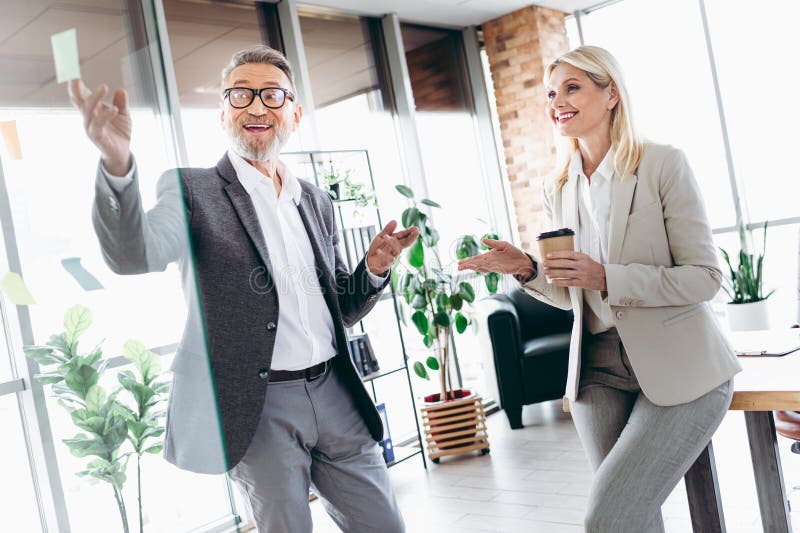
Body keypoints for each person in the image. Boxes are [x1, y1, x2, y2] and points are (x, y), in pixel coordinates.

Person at [69, 45, 414, 533]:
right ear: (223, 112)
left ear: (294, 112)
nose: (256, 106)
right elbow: (133, 255)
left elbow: (343, 305)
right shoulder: (193, 191)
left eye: (272, 95)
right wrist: (118, 164)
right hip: (259, 406)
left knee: (385, 526)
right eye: (241, 95)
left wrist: (373, 268)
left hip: (337, 393)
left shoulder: (313, 199)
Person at [458, 45, 741, 532]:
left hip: (682, 365)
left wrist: (607, 276)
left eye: (572, 88)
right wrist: (527, 268)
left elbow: (706, 278)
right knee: (632, 518)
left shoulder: (662, 164)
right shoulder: (558, 186)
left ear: (611, 93)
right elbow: (573, 295)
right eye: (550, 93)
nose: (557, 102)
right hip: (595, 369)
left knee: (607, 517)